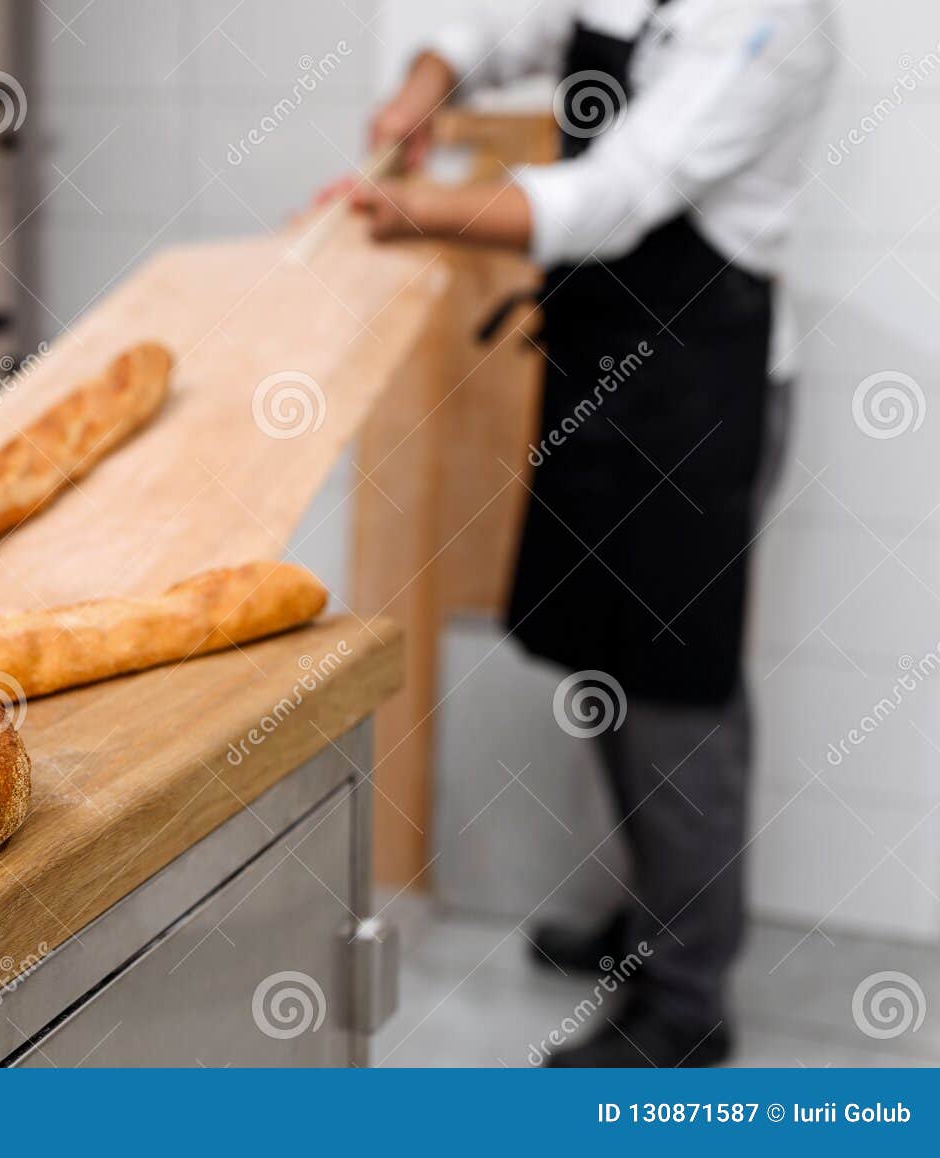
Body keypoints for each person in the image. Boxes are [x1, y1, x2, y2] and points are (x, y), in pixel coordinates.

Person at [328, 0, 835, 1066]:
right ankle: (652, 919)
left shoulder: (771, 21)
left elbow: (616, 196)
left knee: (673, 692)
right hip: (610, 371)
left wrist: (419, 207)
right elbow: (500, 31)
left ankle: (685, 999)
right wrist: (424, 88)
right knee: (608, 659)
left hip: (698, 391)